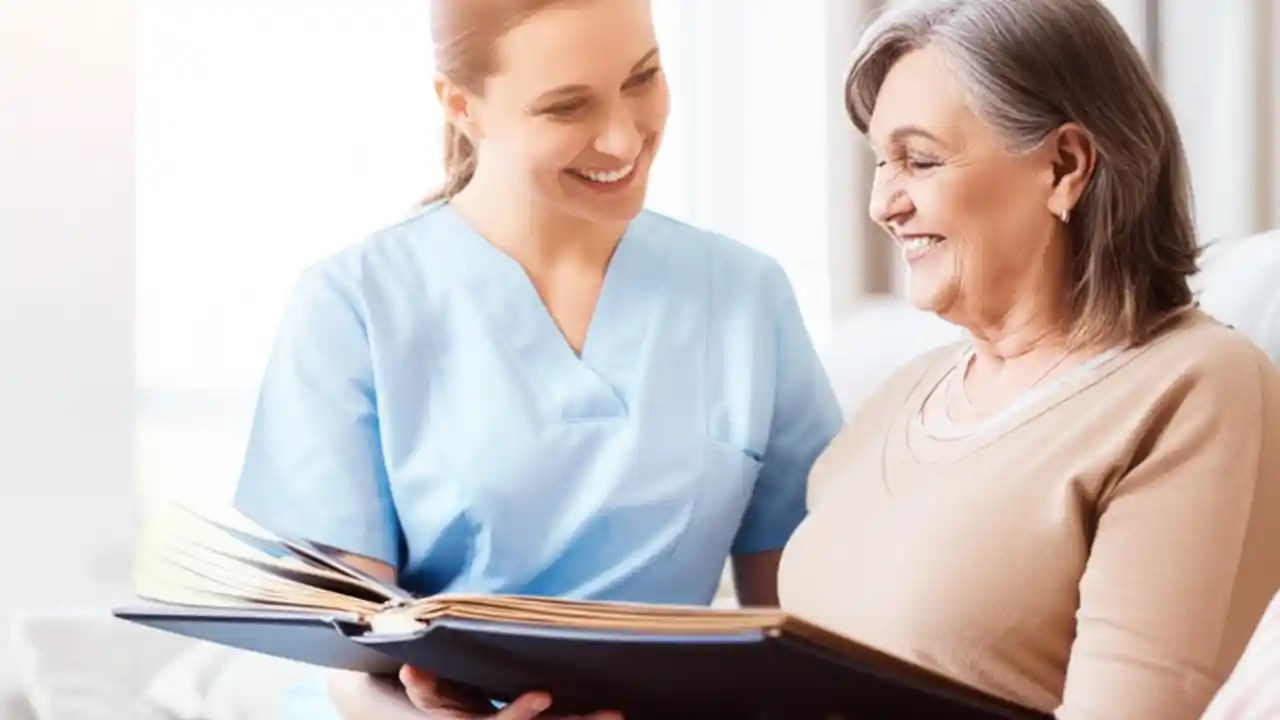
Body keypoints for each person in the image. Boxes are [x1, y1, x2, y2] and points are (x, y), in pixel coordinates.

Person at [232, 0, 842, 717]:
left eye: (643, 79)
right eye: (565, 108)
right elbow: (345, 652)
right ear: (462, 106)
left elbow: (800, 635)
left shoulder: (744, 296)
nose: (622, 138)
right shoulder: (354, 304)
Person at [774, 0, 1280, 718]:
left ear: (1064, 165)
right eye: (880, 164)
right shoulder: (899, 397)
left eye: (918, 160)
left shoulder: (1196, 390)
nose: (882, 203)